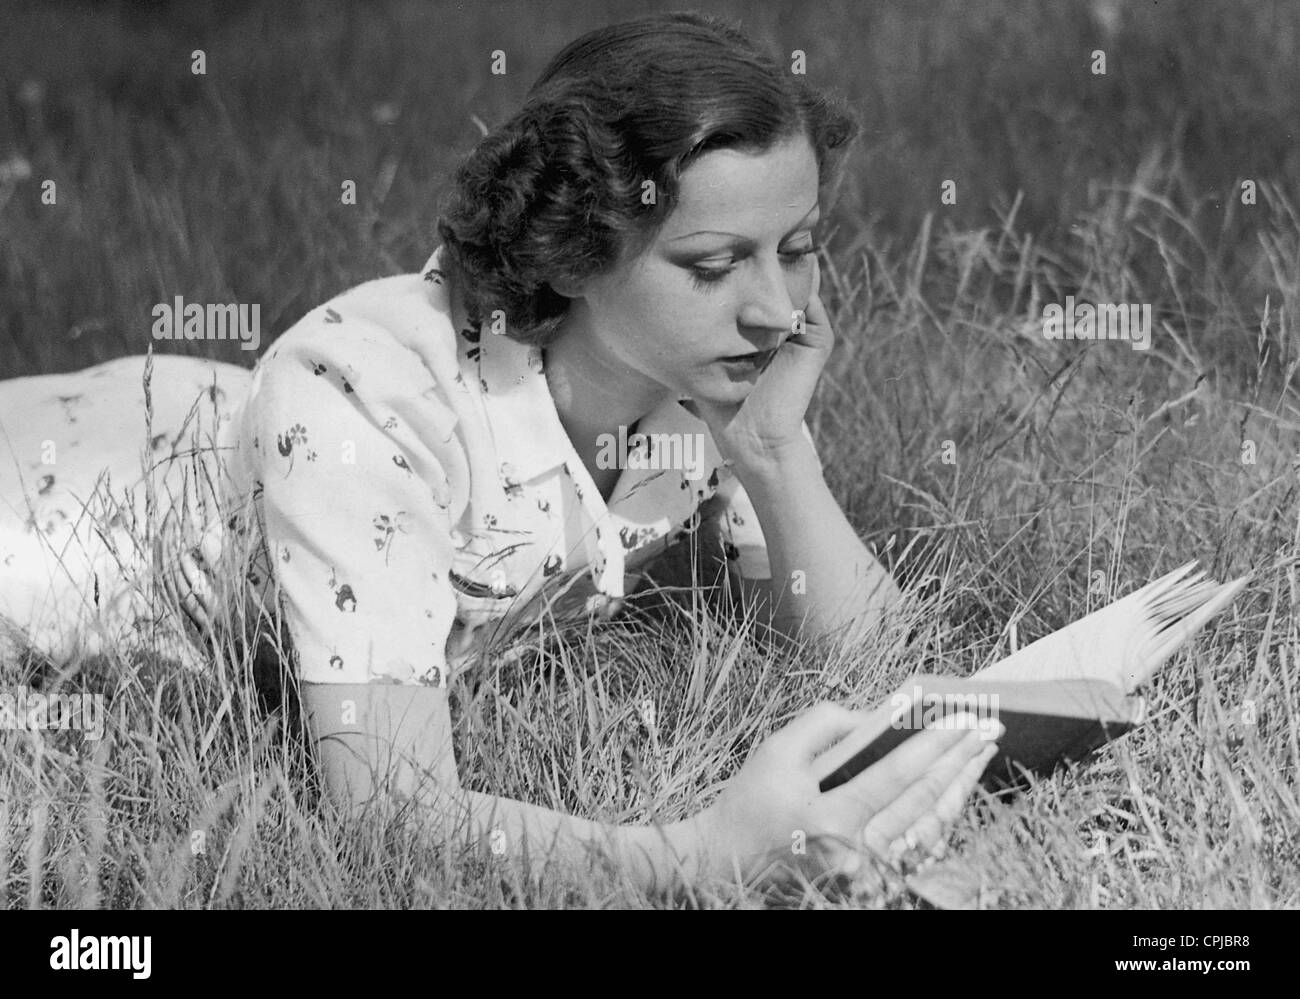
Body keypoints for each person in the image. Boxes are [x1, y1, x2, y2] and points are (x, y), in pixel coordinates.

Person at [0, 11, 1000, 891]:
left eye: (796, 246)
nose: (778, 311)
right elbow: (386, 812)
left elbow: (884, 666)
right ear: (576, 248)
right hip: (57, 508)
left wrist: (778, 453)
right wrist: (699, 853)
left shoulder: (703, 372)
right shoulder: (366, 402)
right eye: (713, 264)